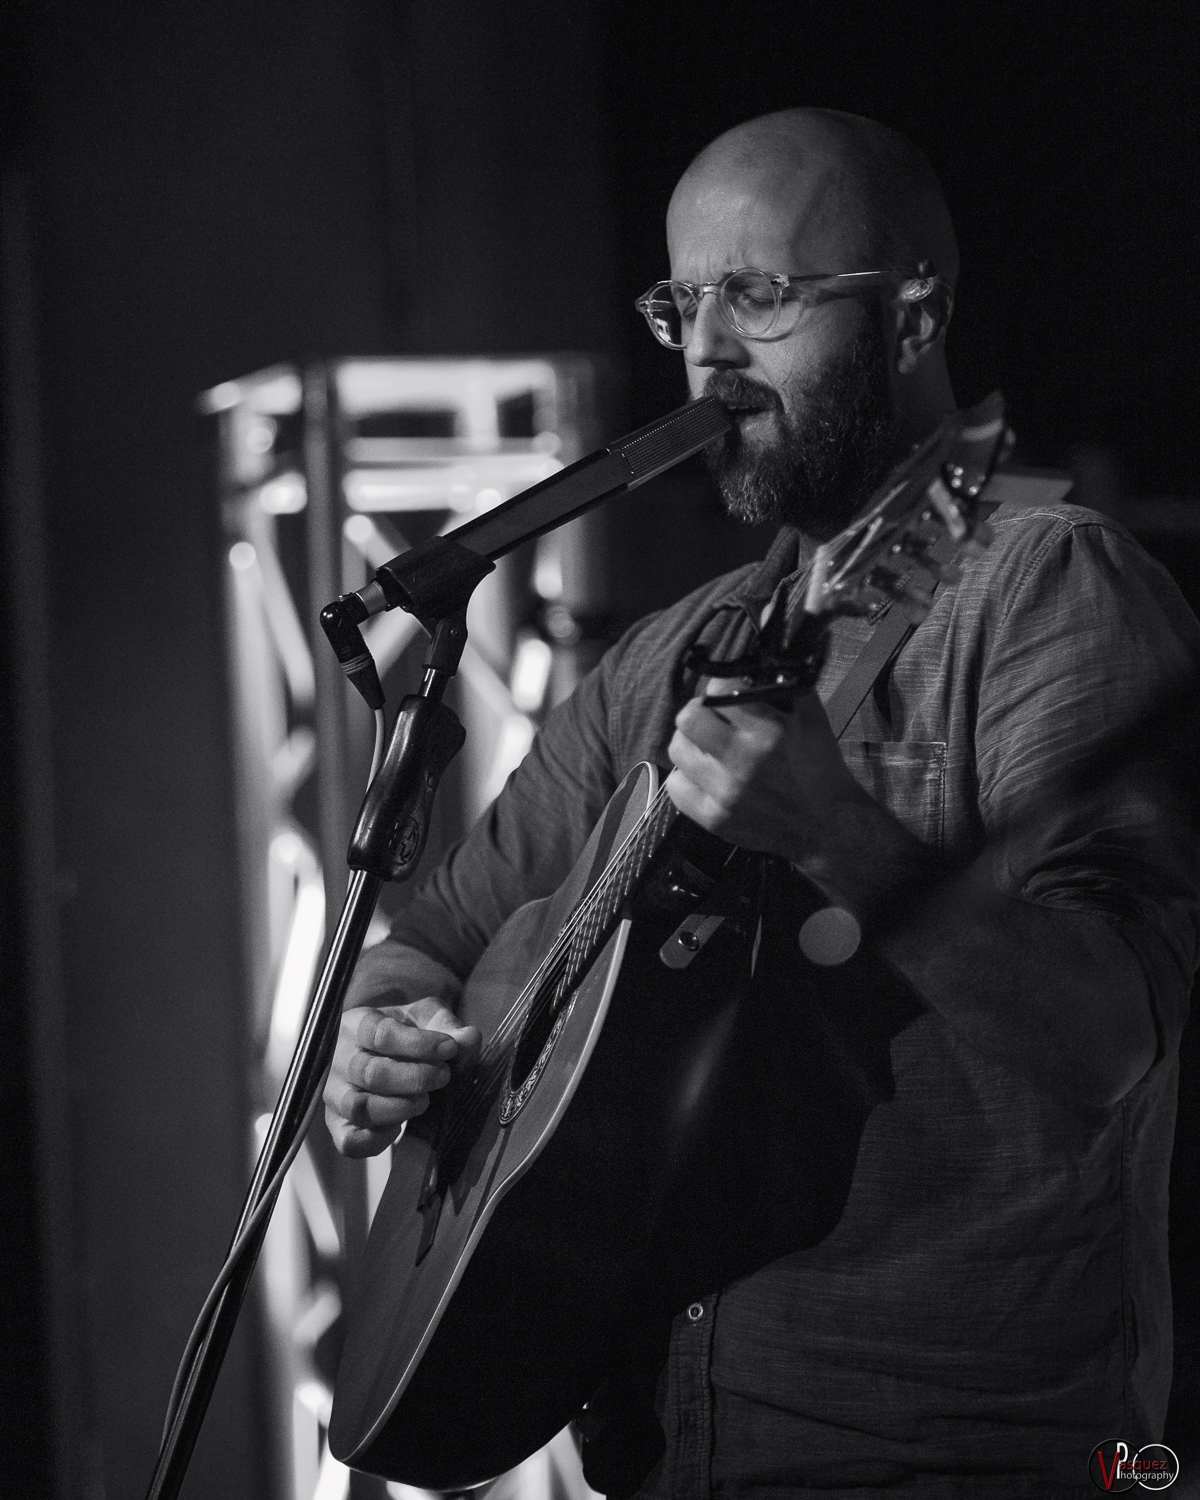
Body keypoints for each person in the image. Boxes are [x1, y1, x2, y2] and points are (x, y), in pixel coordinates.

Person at [323, 109, 1200, 1497]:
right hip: (667, 1450)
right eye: (686, 300)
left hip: (946, 1456)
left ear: (914, 316)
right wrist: (390, 1028)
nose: (710, 351)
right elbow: (429, 932)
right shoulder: (672, 650)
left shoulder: (1044, 582)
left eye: (764, 293)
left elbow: (1112, 1036)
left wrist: (839, 834)